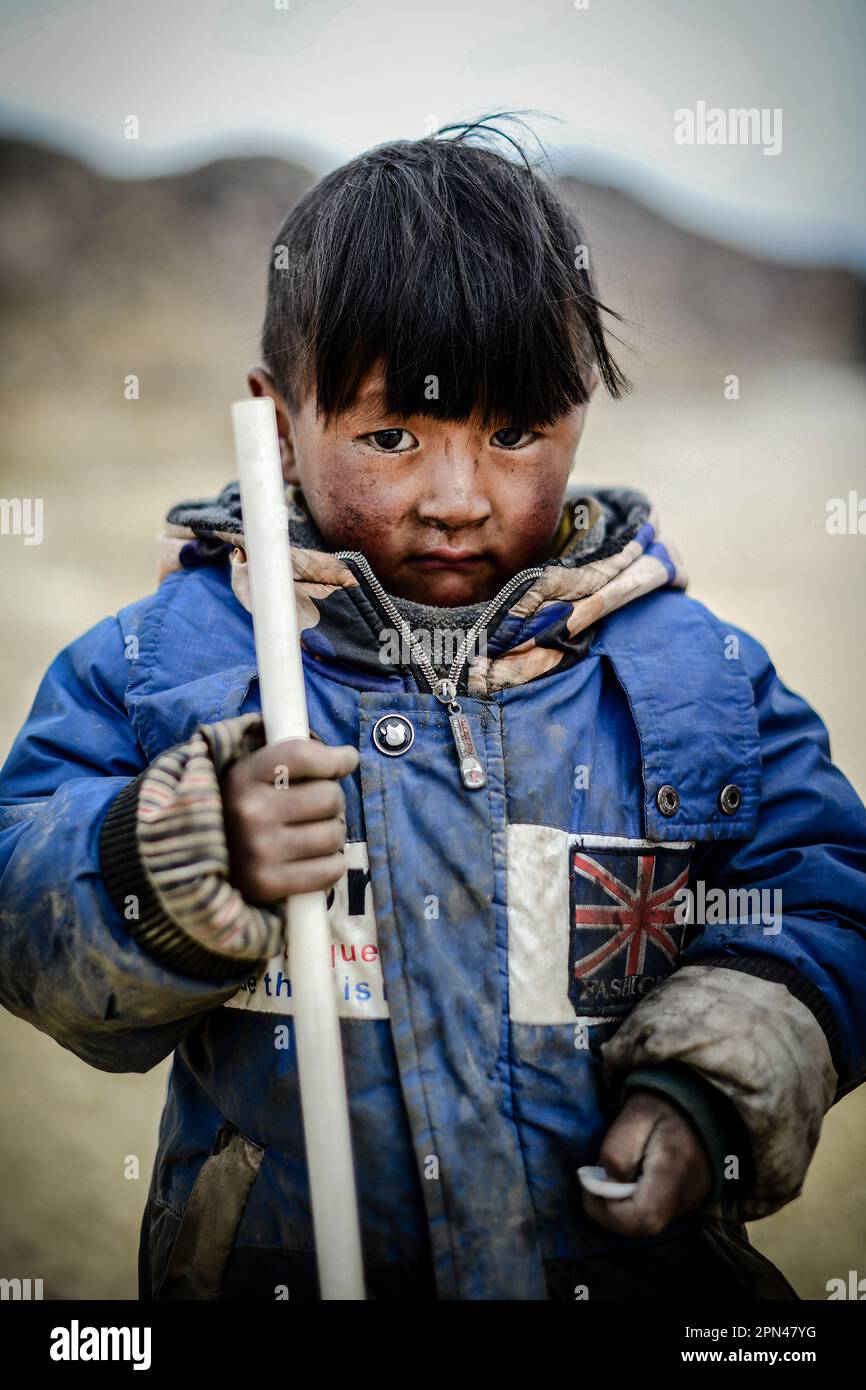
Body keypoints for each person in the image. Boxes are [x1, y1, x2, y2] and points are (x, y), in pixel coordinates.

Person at [1, 117, 864, 1301]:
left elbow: (824, 892)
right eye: (392, 434)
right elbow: (20, 907)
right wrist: (179, 851)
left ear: (580, 414)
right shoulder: (166, 665)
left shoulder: (695, 675)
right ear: (276, 421)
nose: (457, 498)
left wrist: (704, 1090)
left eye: (513, 432)